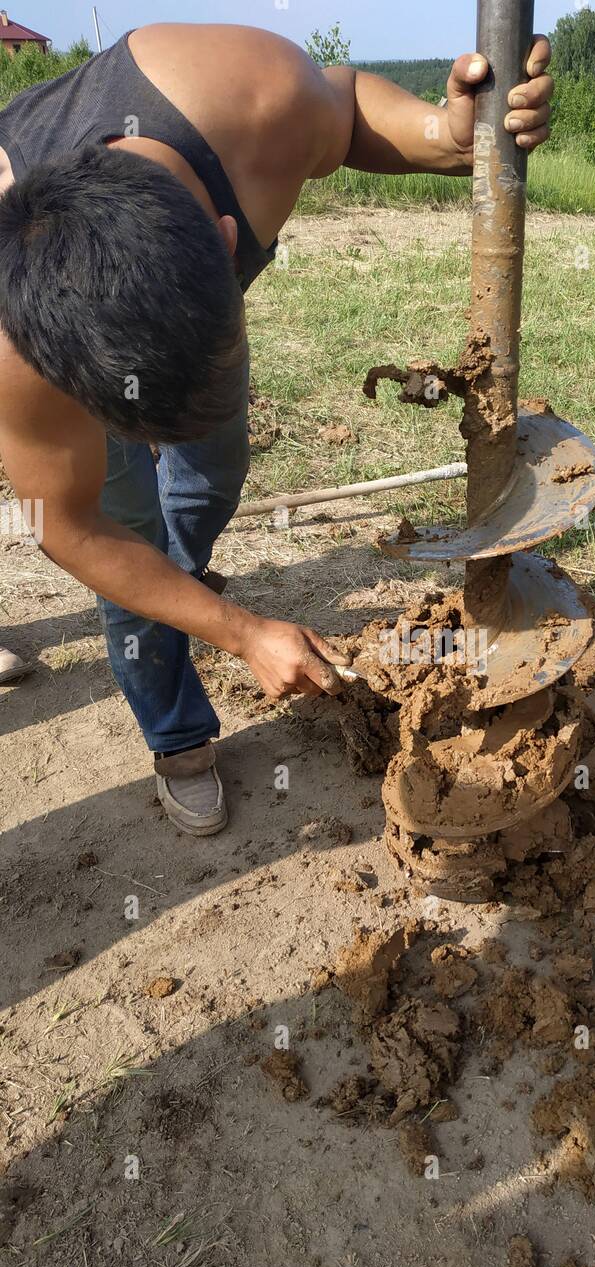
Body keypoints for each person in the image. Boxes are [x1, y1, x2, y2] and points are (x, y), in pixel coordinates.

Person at [0, 23, 553, 835]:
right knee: (129, 541)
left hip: (167, 288)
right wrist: (241, 631)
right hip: (65, 331)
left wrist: (447, 136)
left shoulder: (258, 95)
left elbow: (351, 111)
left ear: (228, 242)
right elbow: (71, 528)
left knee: (211, 477)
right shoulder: (21, 353)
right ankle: (178, 735)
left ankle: (175, 580)